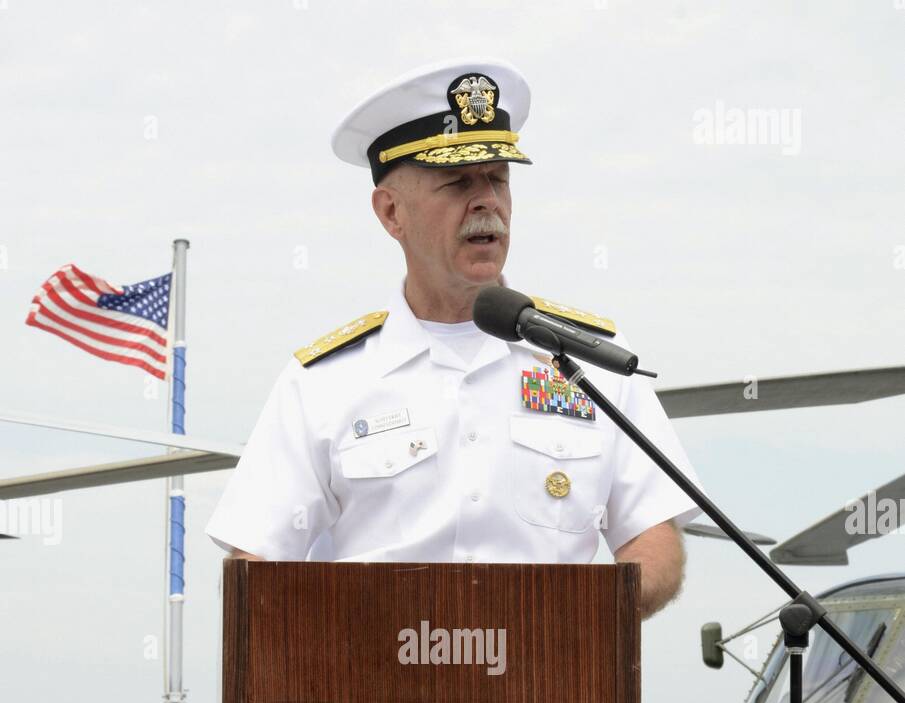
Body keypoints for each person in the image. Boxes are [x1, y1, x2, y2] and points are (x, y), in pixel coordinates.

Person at [205, 58, 703, 618]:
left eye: (499, 178)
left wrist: (574, 625)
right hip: (372, 693)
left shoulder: (588, 363)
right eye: (458, 182)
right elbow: (257, 562)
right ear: (391, 213)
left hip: (553, 688)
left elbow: (653, 538)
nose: (487, 199)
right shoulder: (322, 383)